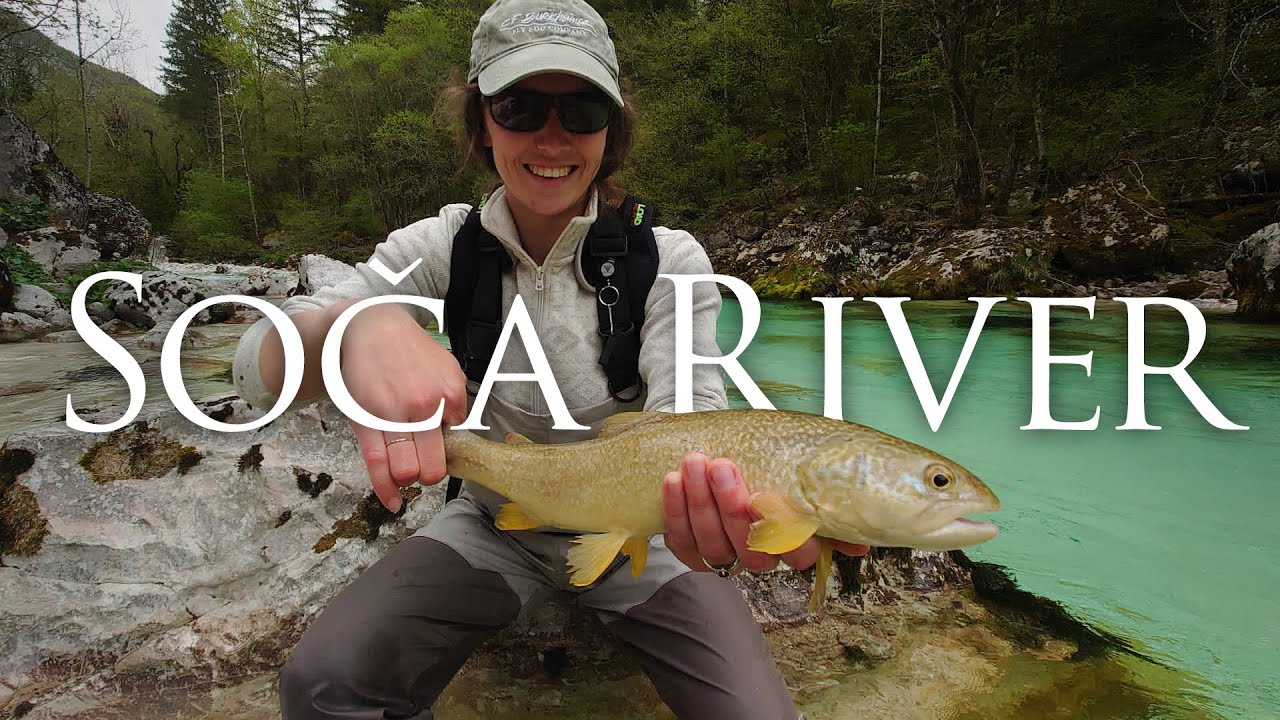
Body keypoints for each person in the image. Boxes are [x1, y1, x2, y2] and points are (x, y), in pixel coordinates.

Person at [231, 0, 868, 716]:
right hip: (490, 524)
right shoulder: (438, 248)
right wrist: (354, 328)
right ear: (481, 123)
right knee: (323, 685)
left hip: (646, 537)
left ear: (613, 127)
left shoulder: (671, 260)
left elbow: (692, 412)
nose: (552, 137)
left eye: (582, 111)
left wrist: (733, 497)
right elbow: (254, 368)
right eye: (520, 107)